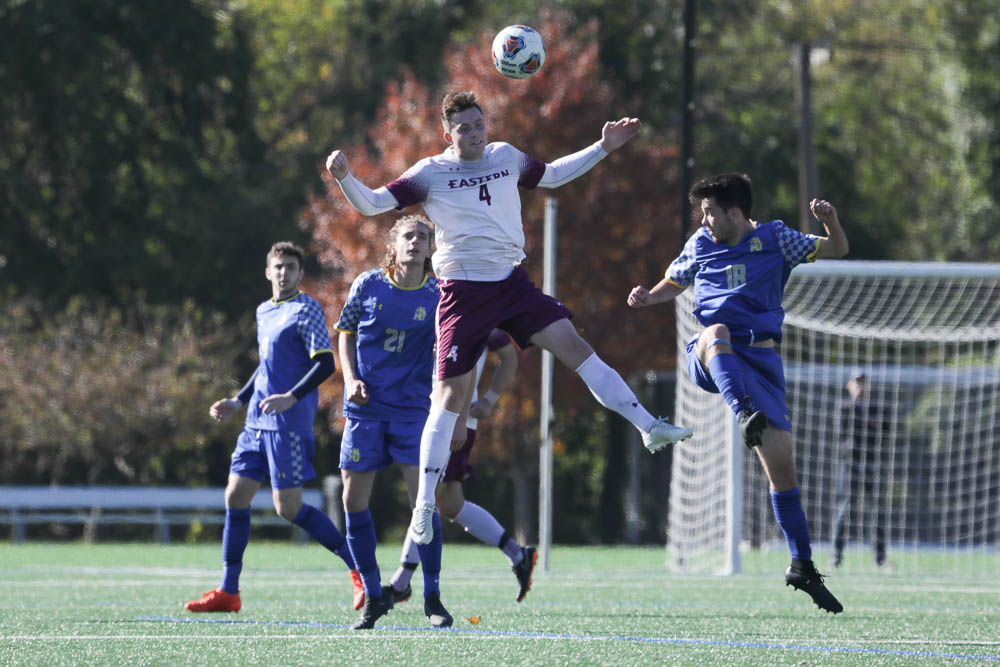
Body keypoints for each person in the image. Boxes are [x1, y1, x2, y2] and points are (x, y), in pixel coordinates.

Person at [325, 90, 693, 551]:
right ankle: (423, 507)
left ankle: (646, 426)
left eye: (479, 124)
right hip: (462, 293)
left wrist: (604, 147)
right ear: (448, 134)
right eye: (465, 127)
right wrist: (345, 178)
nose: (475, 133)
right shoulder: (431, 173)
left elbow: (554, 176)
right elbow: (375, 204)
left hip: (512, 284)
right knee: (449, 396)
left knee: (574, 346)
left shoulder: (504, 156)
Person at [627, 173, 849, 614]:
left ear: (735, 212)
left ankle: (802, 565)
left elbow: (837, 249)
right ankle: (743, 410)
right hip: (712, 354)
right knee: (715, 331)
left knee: (783, 471)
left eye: (710, 212)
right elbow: (676, 279)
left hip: (763, 363)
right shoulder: (699, 243)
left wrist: (832, 223)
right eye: (702, 212)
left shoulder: (776, 238)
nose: (704, 220)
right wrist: (648, 297)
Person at [185, 241, 363, 614]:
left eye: (291, 267)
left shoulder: (307, 310)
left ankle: (360, 571)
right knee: (235, 496)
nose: (284, 273)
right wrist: (238, 400)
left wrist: (290, 397)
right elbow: (265, 365)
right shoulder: (264, 310)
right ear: (268, 272)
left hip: (287, 425)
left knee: (289, 508)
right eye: (278, 267)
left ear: (300, 273)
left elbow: (325, 364)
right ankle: (228, 591)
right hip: (255, 424)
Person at [335, 215, 452, 630]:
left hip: (411, 412)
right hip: (365, 411)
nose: (416, 242)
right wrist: (350, 379)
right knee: (353, 501)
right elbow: (345, 332)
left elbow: (451, 350)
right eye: (409, 235)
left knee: (424, 503)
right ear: (394, 243)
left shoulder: (439, 294)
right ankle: (373, 594)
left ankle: (433, 597)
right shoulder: (368, 284)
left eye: (424, 236)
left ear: (431, 247)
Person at [385, 329, 538, 605]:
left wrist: (490, 398)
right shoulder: (425, 308)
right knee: (451, 505)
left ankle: (402, 581)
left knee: (426, 497)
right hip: (428, 418)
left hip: (453, 423)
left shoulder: (472, 310)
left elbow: (509, 356)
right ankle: (518, 554)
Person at [831, 370, 891, 568]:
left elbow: (884, 432)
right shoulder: (845, 408)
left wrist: (867, 420)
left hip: (872, 466)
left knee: (877, 512)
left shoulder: (877, 408)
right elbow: (843, 435)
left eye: (863, 382)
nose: (860, 386)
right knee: (843, 511)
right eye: (857, 382)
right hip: (850, 467)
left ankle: (880, 559)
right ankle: (836, 557)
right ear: (849, 385)